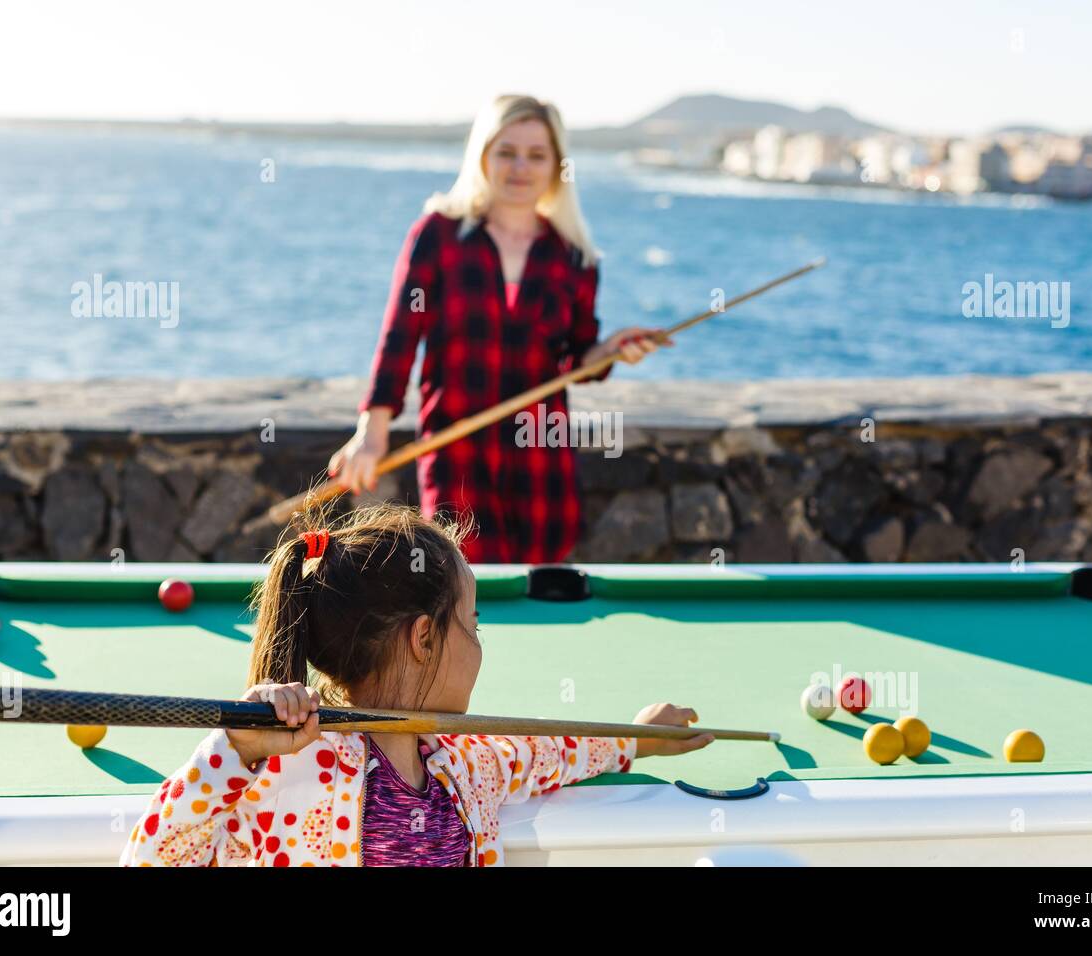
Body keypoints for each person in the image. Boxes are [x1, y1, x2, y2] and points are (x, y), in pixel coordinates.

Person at [120, 503, 710, 867]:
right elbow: (153, 858)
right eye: (472, 625)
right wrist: (235, 750)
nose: (480, 647)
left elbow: (543, 749)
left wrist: (632, 740)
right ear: (424, 637)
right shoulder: (287, 765)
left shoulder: (465, 764)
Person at [327, 94, 668, 563]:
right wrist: (373, 432)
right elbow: (398, 338)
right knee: (464, 598)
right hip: (456, 455)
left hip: (541, 460)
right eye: (506, 151)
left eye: (536, 155)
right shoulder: (437, 235)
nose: (520, 167)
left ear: (556, 166)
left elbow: (576, 359)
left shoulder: (574, 256)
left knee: (538, 603)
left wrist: (611, 351)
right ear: (482, 155)